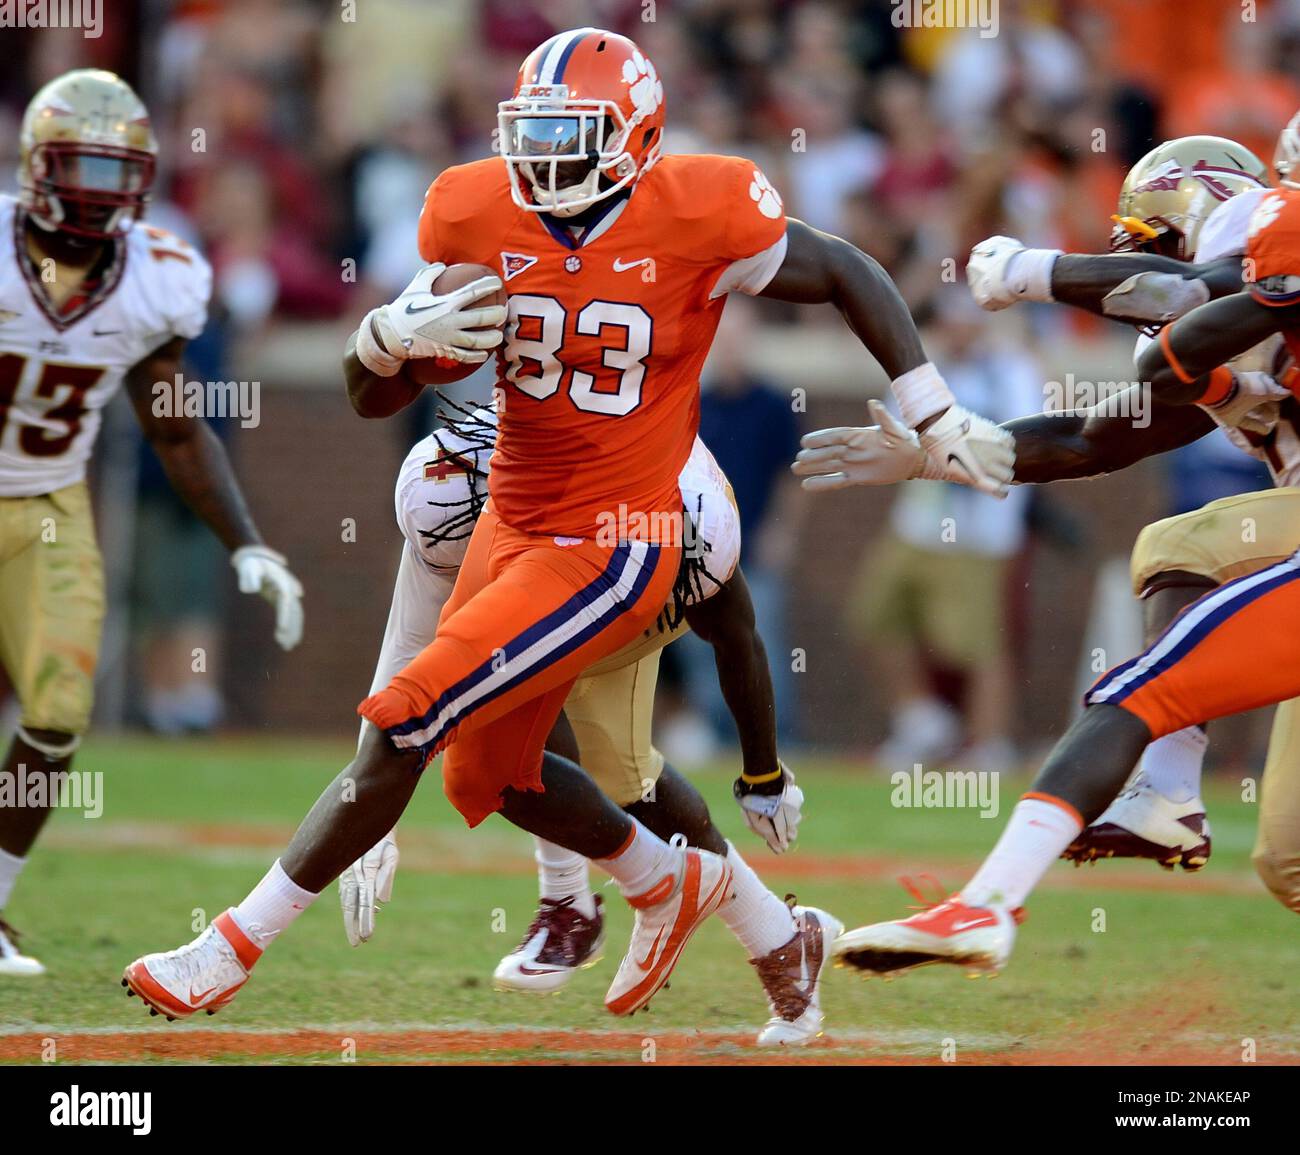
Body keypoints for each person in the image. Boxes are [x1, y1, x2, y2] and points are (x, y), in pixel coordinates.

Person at [123, 27, 1013, 1022]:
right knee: (490, 768)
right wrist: (380, 342)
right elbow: (372, 397)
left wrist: (931, 407)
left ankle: (230, 947)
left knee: (419, 720)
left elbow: (846, 269)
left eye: (570, 135)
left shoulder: (703, 206)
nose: (543, 159)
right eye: (530, 133)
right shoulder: (471, 208)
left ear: (634, 139)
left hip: (622, 535)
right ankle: (685, 890)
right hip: (513, 515)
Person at [796, 126, 1300, 973]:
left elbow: (1191, 291)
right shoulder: (1254, 343)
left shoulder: (1264, 236)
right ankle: (1164, 792)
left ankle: (1134, 810)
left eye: (1162, 240)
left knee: (1179, 553)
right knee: (1287, 857)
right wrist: (933, 450)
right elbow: (1084, 441)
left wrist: (1032, 272)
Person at [339, 401, 839, 1045]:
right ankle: (761, 934)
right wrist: (369, 811)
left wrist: (763, 773)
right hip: (558, 571)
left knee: (624, 776)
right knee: (508, 705)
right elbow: (406, 651)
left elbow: (738, 637)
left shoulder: (683, 512)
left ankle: (581, 904)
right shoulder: (452, 498)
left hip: (628, 575)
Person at [0, 70, 303, 977]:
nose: (95, 186)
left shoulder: (157, 278)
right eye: (80, 164)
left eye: (113, 166)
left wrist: (246, 540)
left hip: (48, 501)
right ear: (40, 166)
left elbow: (176, 425)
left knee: (57, 707)